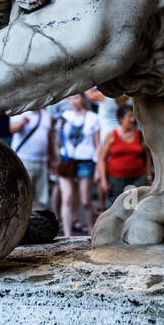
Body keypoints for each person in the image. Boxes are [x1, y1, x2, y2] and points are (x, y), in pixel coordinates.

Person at [58, 93, 102, 235]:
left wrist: (98, 169)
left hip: (86, 161)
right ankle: (67, 235)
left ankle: (91, 231)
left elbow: (97, 146)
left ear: (83, 98)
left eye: (76, 97)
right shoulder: (66, 116)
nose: (73, 101)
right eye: (70, 98)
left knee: (86, 201)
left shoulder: (92, 118)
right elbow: (59, 140)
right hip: (67, 160)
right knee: (67, 197)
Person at [96, 103, 152, 207]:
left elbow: (147, 157)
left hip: (137, 179)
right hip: (116, 179)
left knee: (133, 208)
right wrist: (104, 180)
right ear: (121, 119)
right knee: (117, 208)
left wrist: (149, 177)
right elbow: (102, 159)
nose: (133, 119)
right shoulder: (112, 135)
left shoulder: (139, 135)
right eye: (129, 116)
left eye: (133, 116)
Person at [9, 108, 53, 209]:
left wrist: (52, 158)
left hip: (42, 160)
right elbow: (12, 129)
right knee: (22, 193)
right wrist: (22, 123)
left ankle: (36, 221)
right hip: (24, 159)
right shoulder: (20, 111)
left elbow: (49, 137)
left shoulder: (46, 114)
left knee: (41, 197)